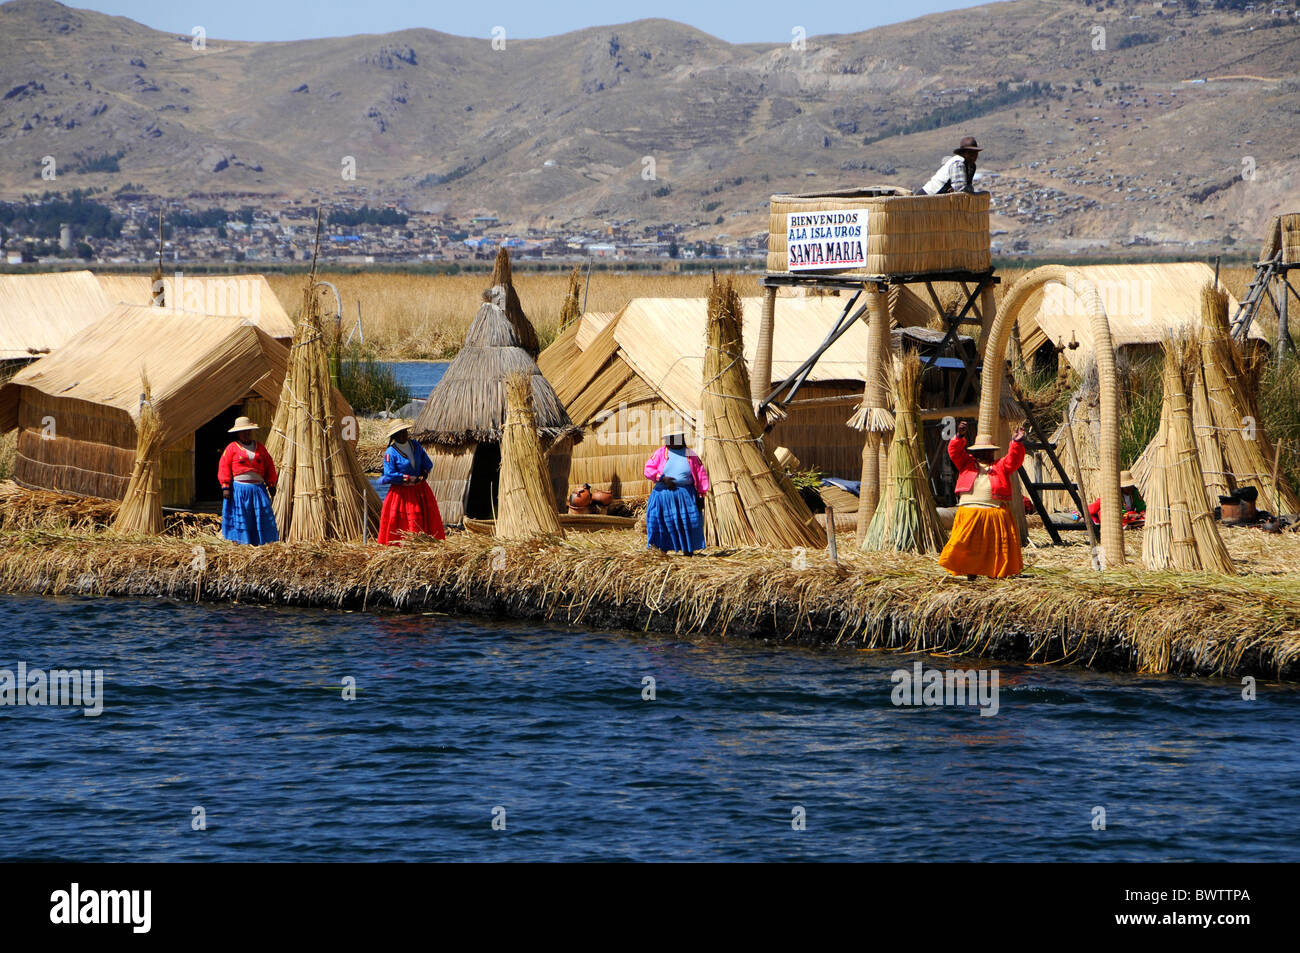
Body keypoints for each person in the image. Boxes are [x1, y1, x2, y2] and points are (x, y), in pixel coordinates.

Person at [938, 421, 1027, 579]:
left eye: (988, 451)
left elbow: (1014, 459)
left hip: (993, 513)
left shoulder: (1000, 466)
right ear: (974, 452)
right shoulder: (966, 464)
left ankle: (993, 572)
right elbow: (954, 452)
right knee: (965, 544)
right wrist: (959, 436)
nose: (984, 453)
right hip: (969, 513)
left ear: (992, 452)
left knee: (994, 547)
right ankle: (970, 571)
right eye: (981, 451)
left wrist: (1016, 443)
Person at [378, 422, 446, 545]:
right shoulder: (391, 452)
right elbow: (389, 474)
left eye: (405, 432)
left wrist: (424, 473)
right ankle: (403, 544)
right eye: (400, 433)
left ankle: (426, 543)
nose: (404, 435)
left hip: (421, 490)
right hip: (402, 493)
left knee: (426, 517)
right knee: (405, 520)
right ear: (394, 436)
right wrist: (408, 478)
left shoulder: (416, 445)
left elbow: (427, 462)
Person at [644, 430, 710, 554]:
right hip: (663, 495)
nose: (672, 441)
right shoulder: (660, 453)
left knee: (688, 523)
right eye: (669, 438)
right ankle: (660, 551)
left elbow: (701, 474)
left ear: (681, 438)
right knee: (659, 522)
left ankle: (688, 550)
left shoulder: (690, 455)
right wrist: (662, 478)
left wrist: (701, 495)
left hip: (685, 497)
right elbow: (648, 470)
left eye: (675, 437)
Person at [218, 416, 279, 545]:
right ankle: (241, 542)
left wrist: (271, 483)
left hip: (258, 489)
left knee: (261, 516)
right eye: (243, 431)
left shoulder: (260, 447)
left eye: (248, 431)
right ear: (238, 433)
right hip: (239, 491)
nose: (246, 434)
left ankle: (261, 542)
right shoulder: (232, 448)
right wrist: (225, 486)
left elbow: (269, 465)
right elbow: (224, 466)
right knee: (241, 517)